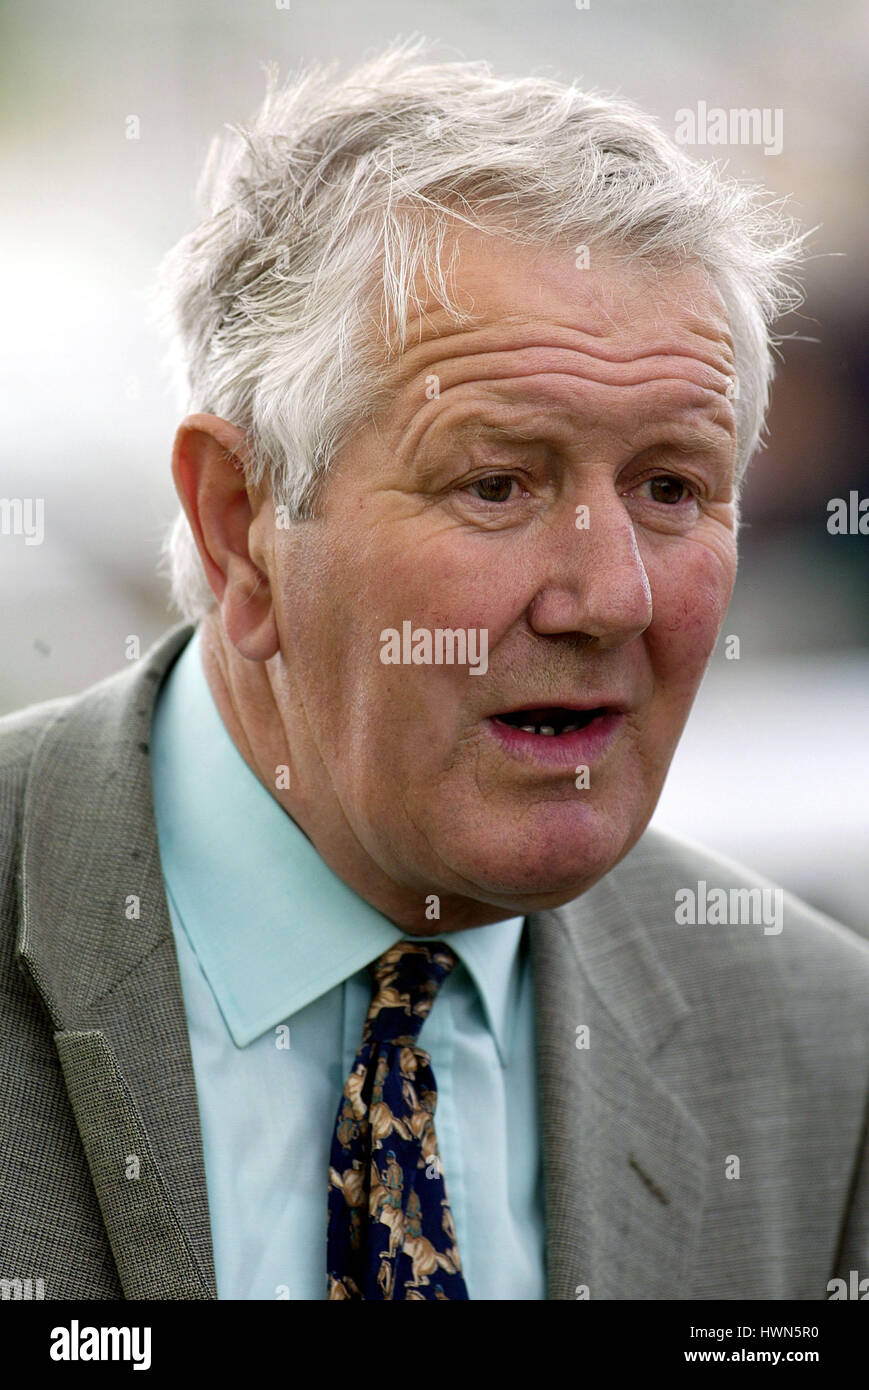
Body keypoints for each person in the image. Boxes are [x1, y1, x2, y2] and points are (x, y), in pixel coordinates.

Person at [1, 41, 867, 1302]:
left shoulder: (816, 1047)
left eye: (670, 487)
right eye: (495, 483)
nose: (611, 595)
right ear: (241, 524)